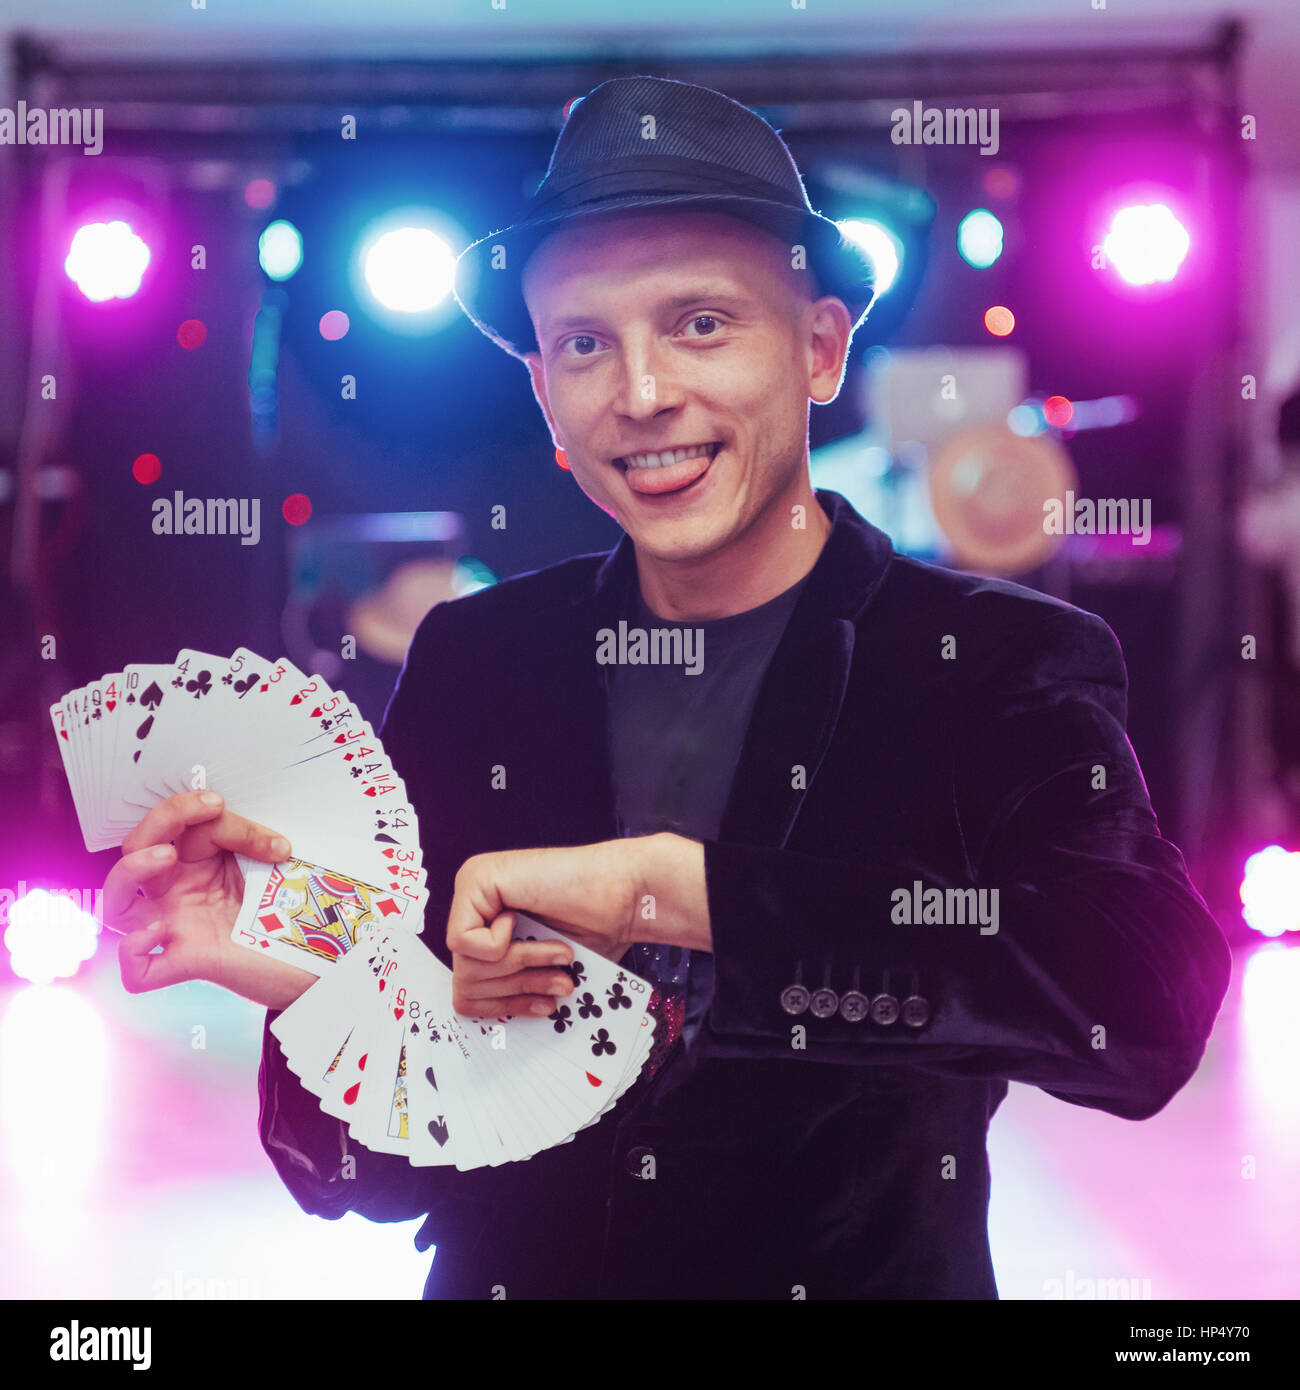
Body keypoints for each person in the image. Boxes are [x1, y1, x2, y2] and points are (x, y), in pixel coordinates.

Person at [105, 75, 1231, 1300]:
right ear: (543, 392)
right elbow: (389, 1160)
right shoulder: (479, 657)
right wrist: (296, 963)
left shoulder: (990, 660)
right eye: (584, 343)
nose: (640, 395)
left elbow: (1140, 1007)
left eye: (699, 323)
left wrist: (670, 894)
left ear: (819, 346)